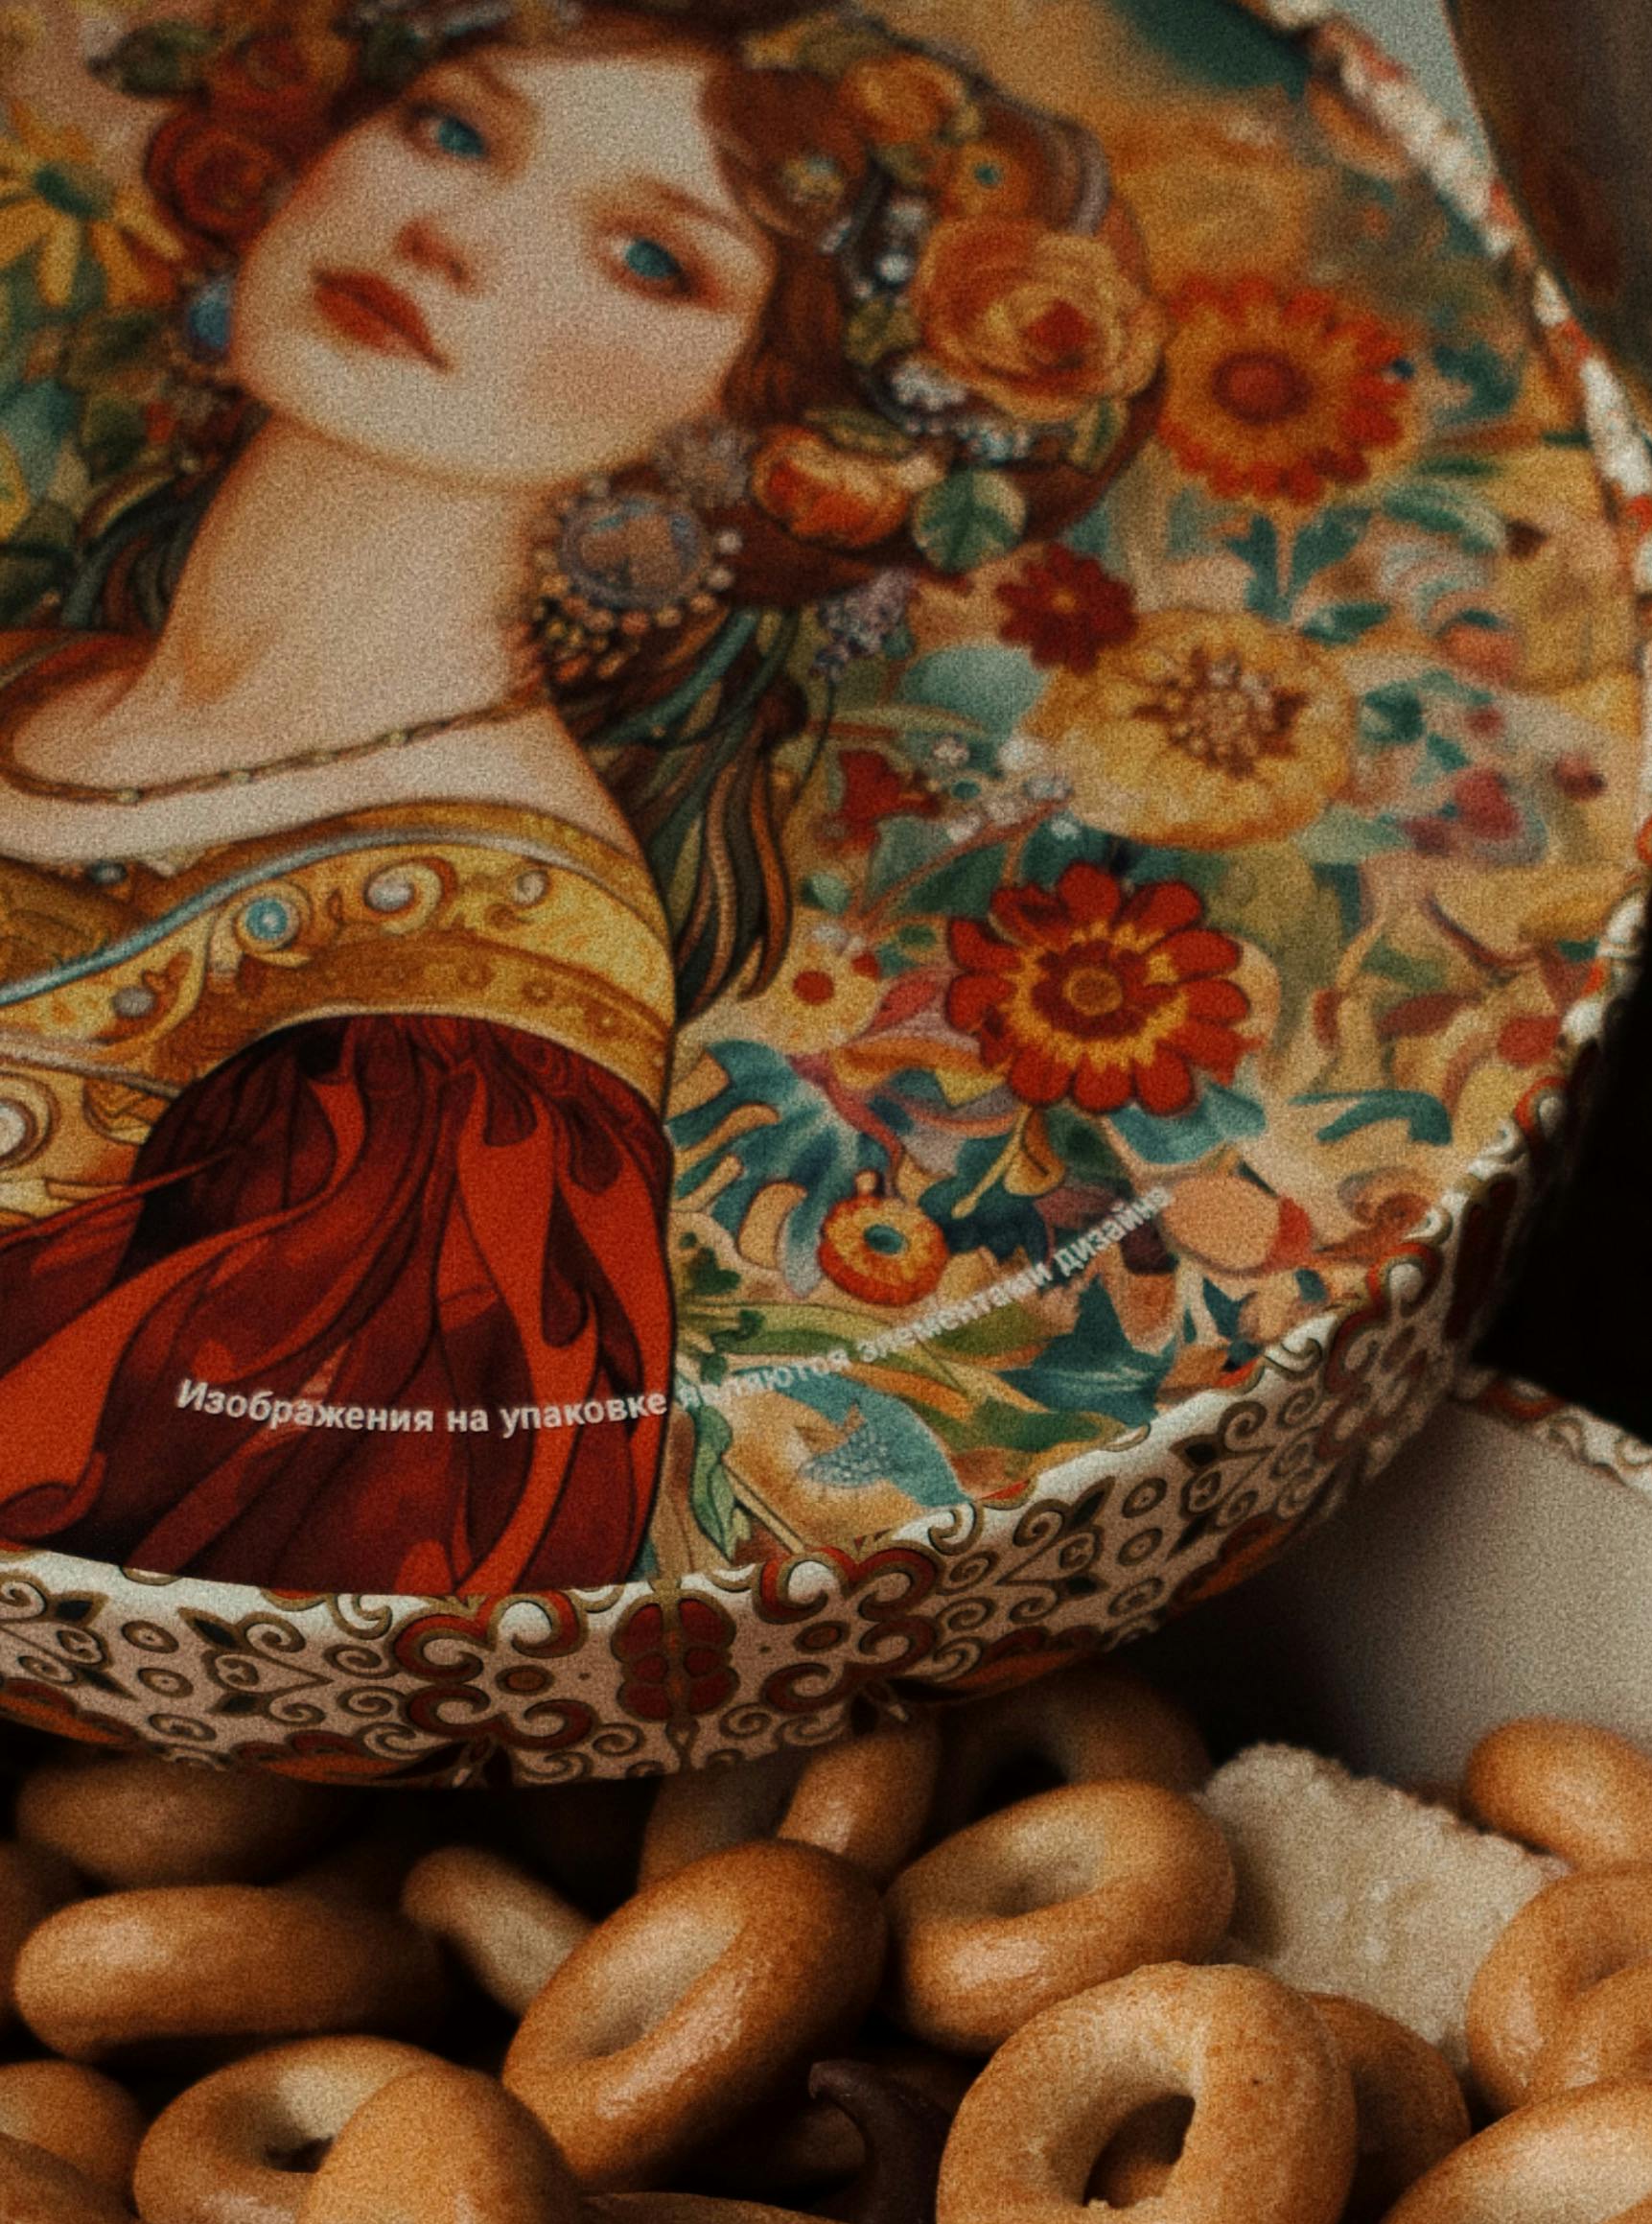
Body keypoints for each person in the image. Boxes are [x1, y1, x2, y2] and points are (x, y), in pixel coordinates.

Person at [0, 0, 1154, 1594]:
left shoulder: (474, 992)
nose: (451, 232)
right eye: (456, 129)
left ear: (763, 427)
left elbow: (254, 1546)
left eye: (652, 259)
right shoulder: (28, 676)